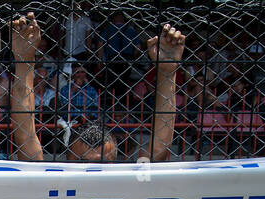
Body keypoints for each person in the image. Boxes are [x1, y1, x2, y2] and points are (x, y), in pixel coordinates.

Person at [10, 14, 186, 163]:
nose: (90, 171)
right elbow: (25, 138)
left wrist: (167, 72)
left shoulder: (128, 185)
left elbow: (160, 147)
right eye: (82, 162)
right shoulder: (52, 182)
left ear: (114, 162)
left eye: (100, 163)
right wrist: (24, 61)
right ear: (67, 159)